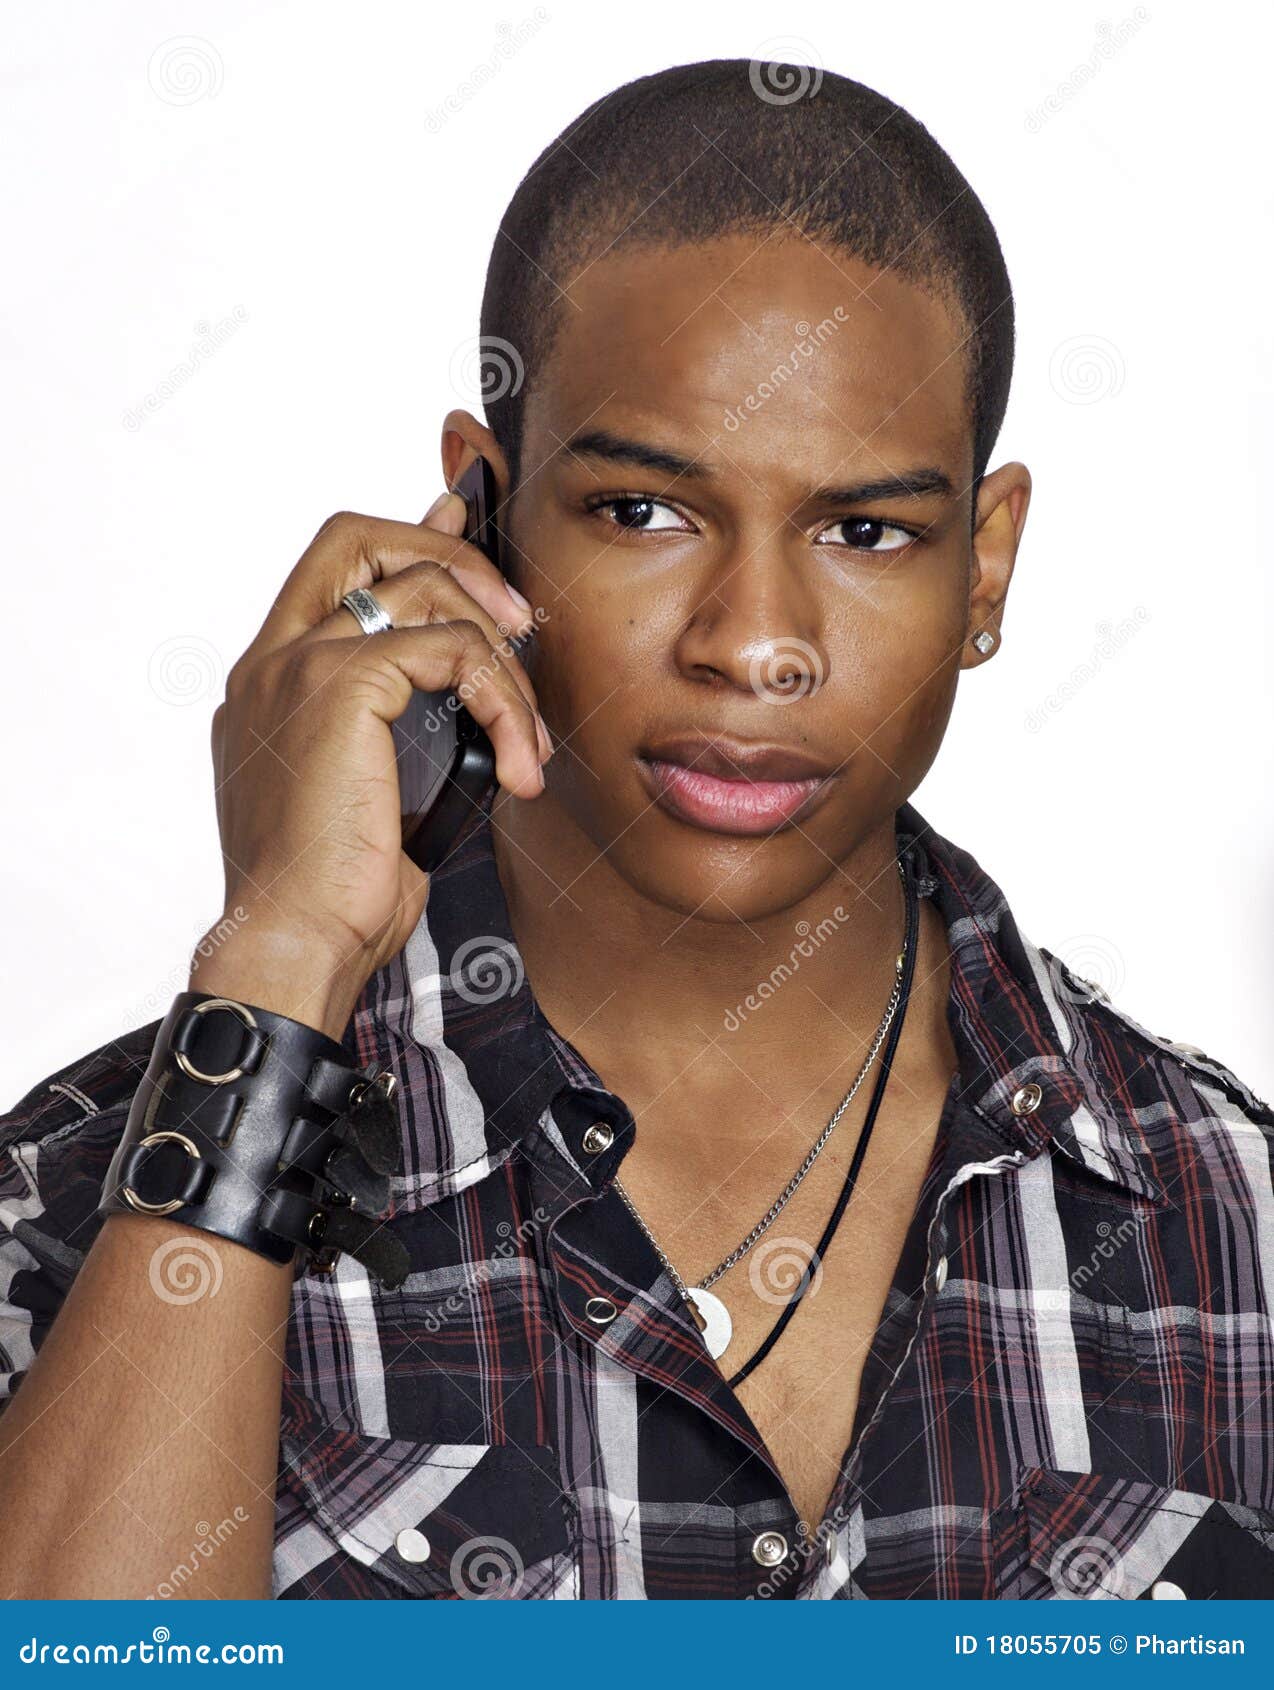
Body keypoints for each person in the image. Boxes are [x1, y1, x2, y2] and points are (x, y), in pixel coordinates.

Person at [2, 58, 1272, 1604]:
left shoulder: (1232, 1219)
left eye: (866, 531)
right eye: (643, 513)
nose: (754, 644)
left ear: (985, 569)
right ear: (477, 514)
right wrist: (277, 958)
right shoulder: (75, 1213)